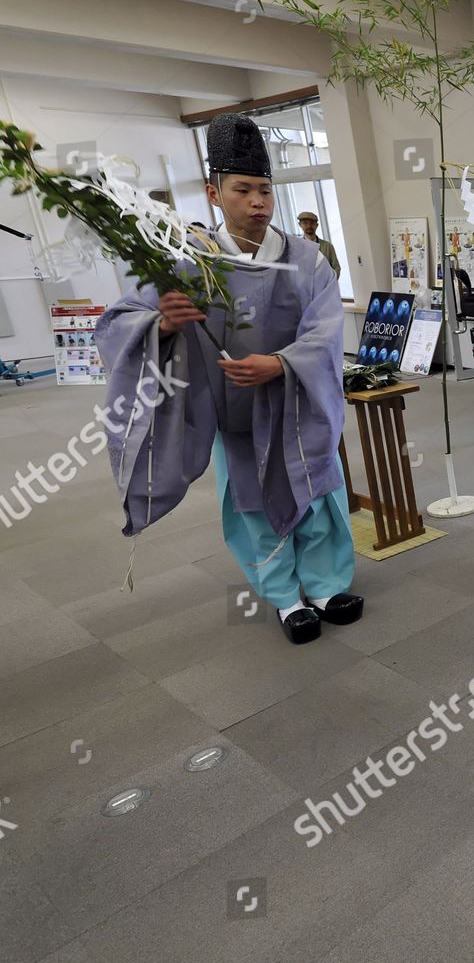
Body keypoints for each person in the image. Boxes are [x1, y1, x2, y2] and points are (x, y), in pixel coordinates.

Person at [95, 113, 362, 645]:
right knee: (253, 499)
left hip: (296, 401)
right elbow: (120, 321)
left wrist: (281, 363)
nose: (258, 202)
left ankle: (327, 585)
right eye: (243, 190)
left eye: (265, 190)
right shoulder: (188, 261)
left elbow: (327, 329)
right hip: (233, 410)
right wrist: (164, 323)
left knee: (316, 489)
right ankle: (286, 598)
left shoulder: (306, 259)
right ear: (215, 194)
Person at [297, 211, 341, 277]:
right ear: (300, 225)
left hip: (327, 285)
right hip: (306, 286)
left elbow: (336, 268)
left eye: (312, 223)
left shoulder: (328, 246)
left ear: (316, 225)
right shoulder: (297, 248)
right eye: (305, 223)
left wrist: (329, 283)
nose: (309, 226)